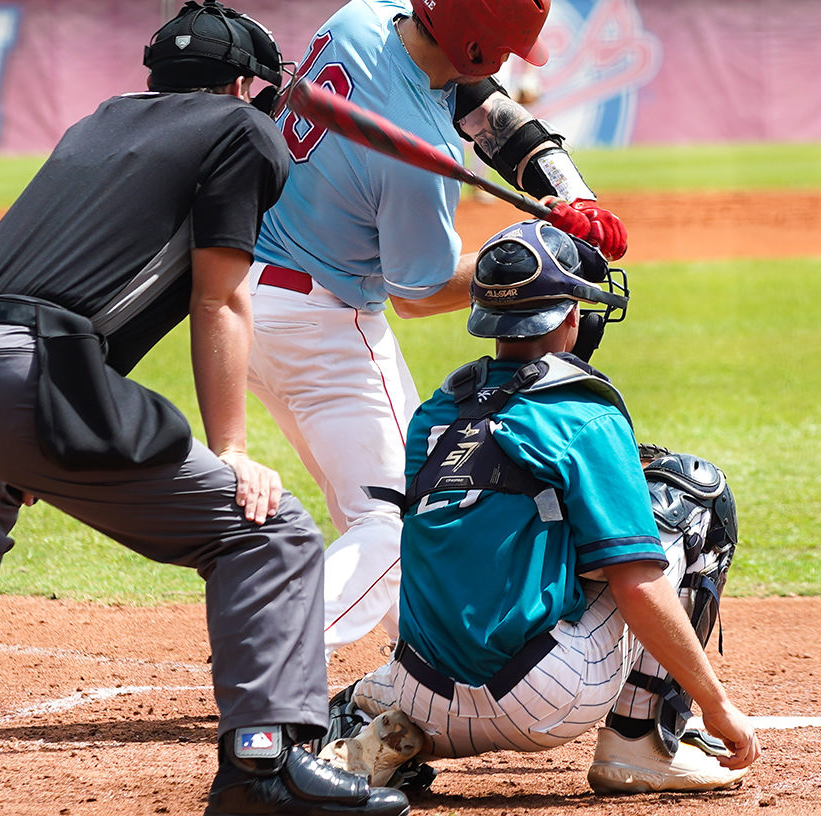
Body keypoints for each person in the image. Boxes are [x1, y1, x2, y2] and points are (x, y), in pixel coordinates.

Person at [0, 1, 407, 816]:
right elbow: (221, 299)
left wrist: (20, 440)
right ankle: (264, 765)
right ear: (243, 85)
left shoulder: (96, 124)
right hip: (18, 375)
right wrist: (232, 450)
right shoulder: (244, 131)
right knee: (269, 532)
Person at [246, 0, 627, 660]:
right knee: (399, 520)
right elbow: (417, 292)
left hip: (246, 299)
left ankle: (417, 667)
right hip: (322, 324)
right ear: (475, 45)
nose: (509, 62)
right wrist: (540, 258)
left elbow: (481, 105)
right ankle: (270, 656)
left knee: (372, 503)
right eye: (504, 47)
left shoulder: (370, 15)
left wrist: (569, 192)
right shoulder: (420, 160)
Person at [322, 220, 758, 795]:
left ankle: (368, 738)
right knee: (693, 493)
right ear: (572, 315)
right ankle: (641, 742)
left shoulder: (435, 414)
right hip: (547, 696)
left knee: (358, 697)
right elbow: (637, 585)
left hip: (424, 694)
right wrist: (717, 704)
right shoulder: (583, 413)